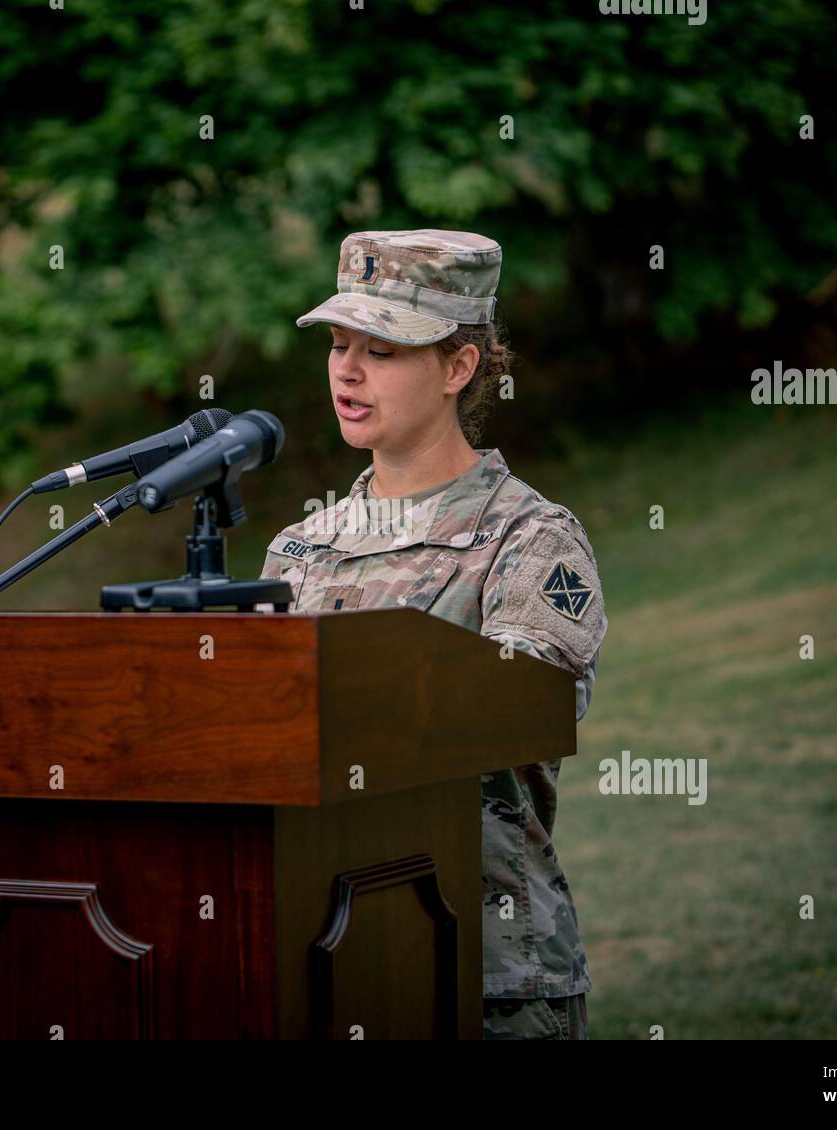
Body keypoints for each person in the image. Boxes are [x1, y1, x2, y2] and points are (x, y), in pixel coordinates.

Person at [259, 229, 608, 1040]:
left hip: (489, 971)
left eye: (382, 349)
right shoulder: (300, 546)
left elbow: (524, 711)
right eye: (341, 344)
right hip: (330, 959)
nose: (346, 370)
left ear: (459, 367)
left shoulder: (530, 540)